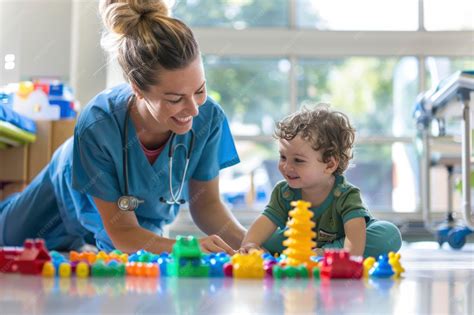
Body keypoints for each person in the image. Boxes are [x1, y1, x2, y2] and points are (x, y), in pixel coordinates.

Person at [0, 0, 246, 254]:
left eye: (200, 90)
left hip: (133, 224)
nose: (194, 109)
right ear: (137, 89)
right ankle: (10, 199)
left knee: (131, 267)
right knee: (10, 238)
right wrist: (189, 247)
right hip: (63, 195)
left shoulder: (209, 120)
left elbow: (206, 204)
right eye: (174, 99)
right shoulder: (98, 126)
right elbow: (122, 232)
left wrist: (252, 243)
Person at [240, 105, 402, 257]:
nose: (286, 166)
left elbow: (354, 241)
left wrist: (334, 254)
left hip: (346, 241)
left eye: (298, 160)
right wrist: (250, 245)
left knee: (389, 234)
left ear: (329, 164)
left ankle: (327, 253)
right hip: (304, 239)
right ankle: (304, 251)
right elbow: (265, 221)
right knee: (267, 235)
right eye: (283, 157)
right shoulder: (284, 192)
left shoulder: (346, 195)